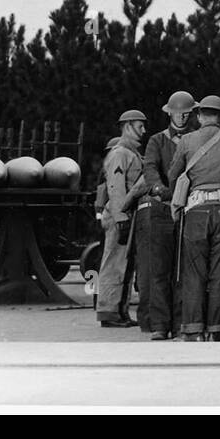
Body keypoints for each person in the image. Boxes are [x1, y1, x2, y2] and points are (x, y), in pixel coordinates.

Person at [168, 95, 220, 342]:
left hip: (196, 211)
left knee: (194, 271)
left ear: (200, 116)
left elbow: (173, 175)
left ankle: (193, 330)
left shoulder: (187, 140)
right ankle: (216, 329)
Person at [134, 91, 196, 340]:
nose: (181, 118)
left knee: (183, 270)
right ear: (169, 113)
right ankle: (160, 325)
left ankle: (180, 323)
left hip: (186, 209)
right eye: (177, 113)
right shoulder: (157, 141)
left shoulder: (194, 140)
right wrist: (158, 189)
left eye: (186, 113)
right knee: (159, 271)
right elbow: (149, 167)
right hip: (161, 209)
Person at [97, 112, 146, 327]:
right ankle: (109, 312)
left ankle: (120, 311)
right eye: (139, 126)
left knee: (124, 264)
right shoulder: (120, 154)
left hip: (126, 214)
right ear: (127, 126)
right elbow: (115, 188)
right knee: (114, 263)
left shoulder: (131, 153)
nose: (143, 130)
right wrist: (120, 217)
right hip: (120, 214)